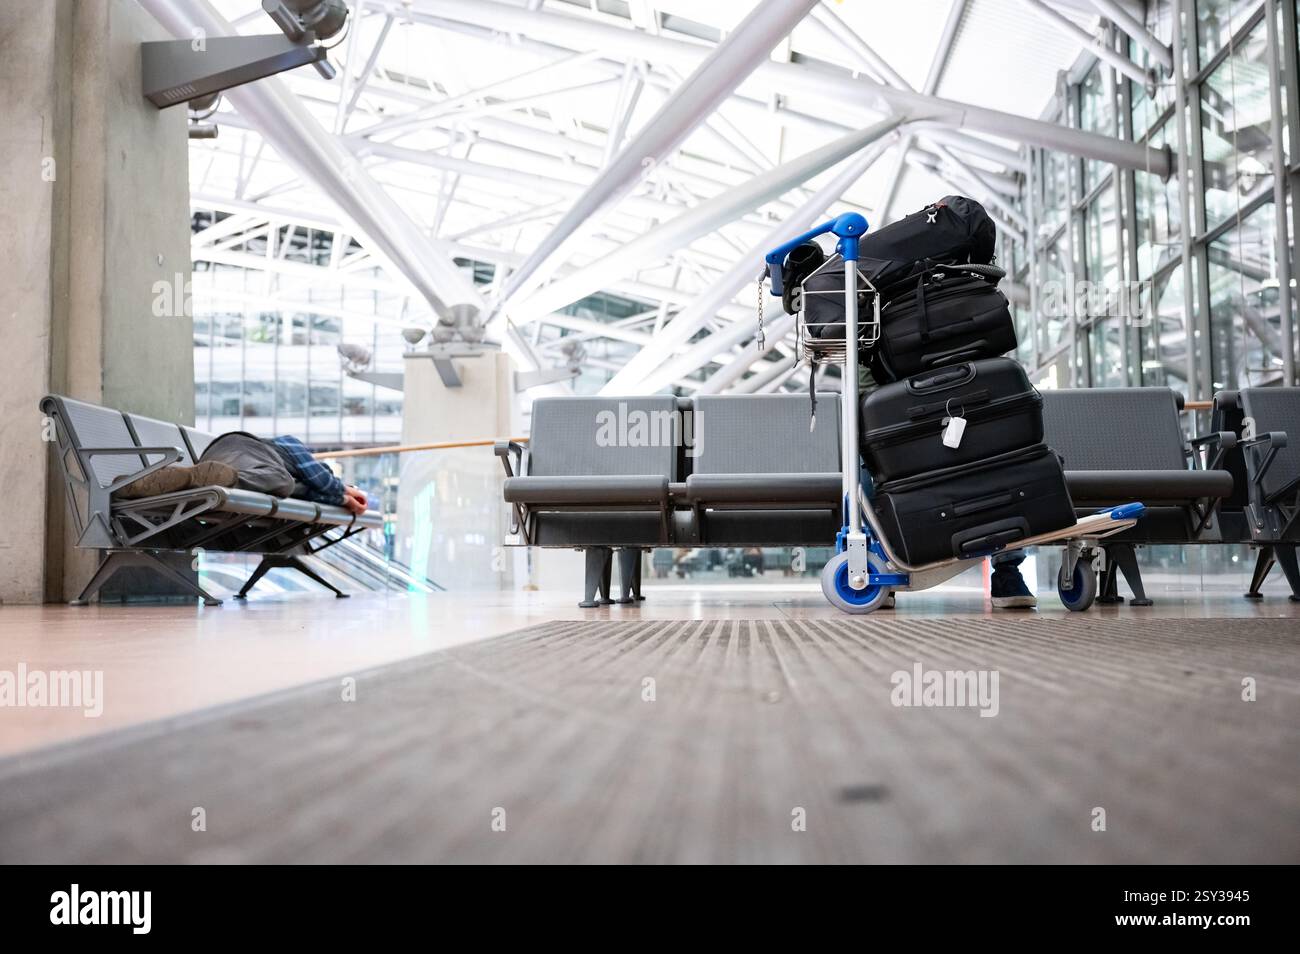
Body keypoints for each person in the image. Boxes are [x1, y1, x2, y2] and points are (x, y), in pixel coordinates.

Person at [858, 360, 1036, 610]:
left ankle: (1007, 569)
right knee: (866, 452)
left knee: (1002, 460)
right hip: (897, 393)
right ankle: (878, 567)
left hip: (960, 376)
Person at [116, 432, 368, 516]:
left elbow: (316, 491)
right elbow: (321, 480)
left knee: (286, 486)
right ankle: (217, 477)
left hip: (217, 461)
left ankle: (136, 484)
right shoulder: (290, 445)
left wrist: (342, 499)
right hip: (239, 447)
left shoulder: (300, 485)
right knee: (281, 481)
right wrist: (345, 493)